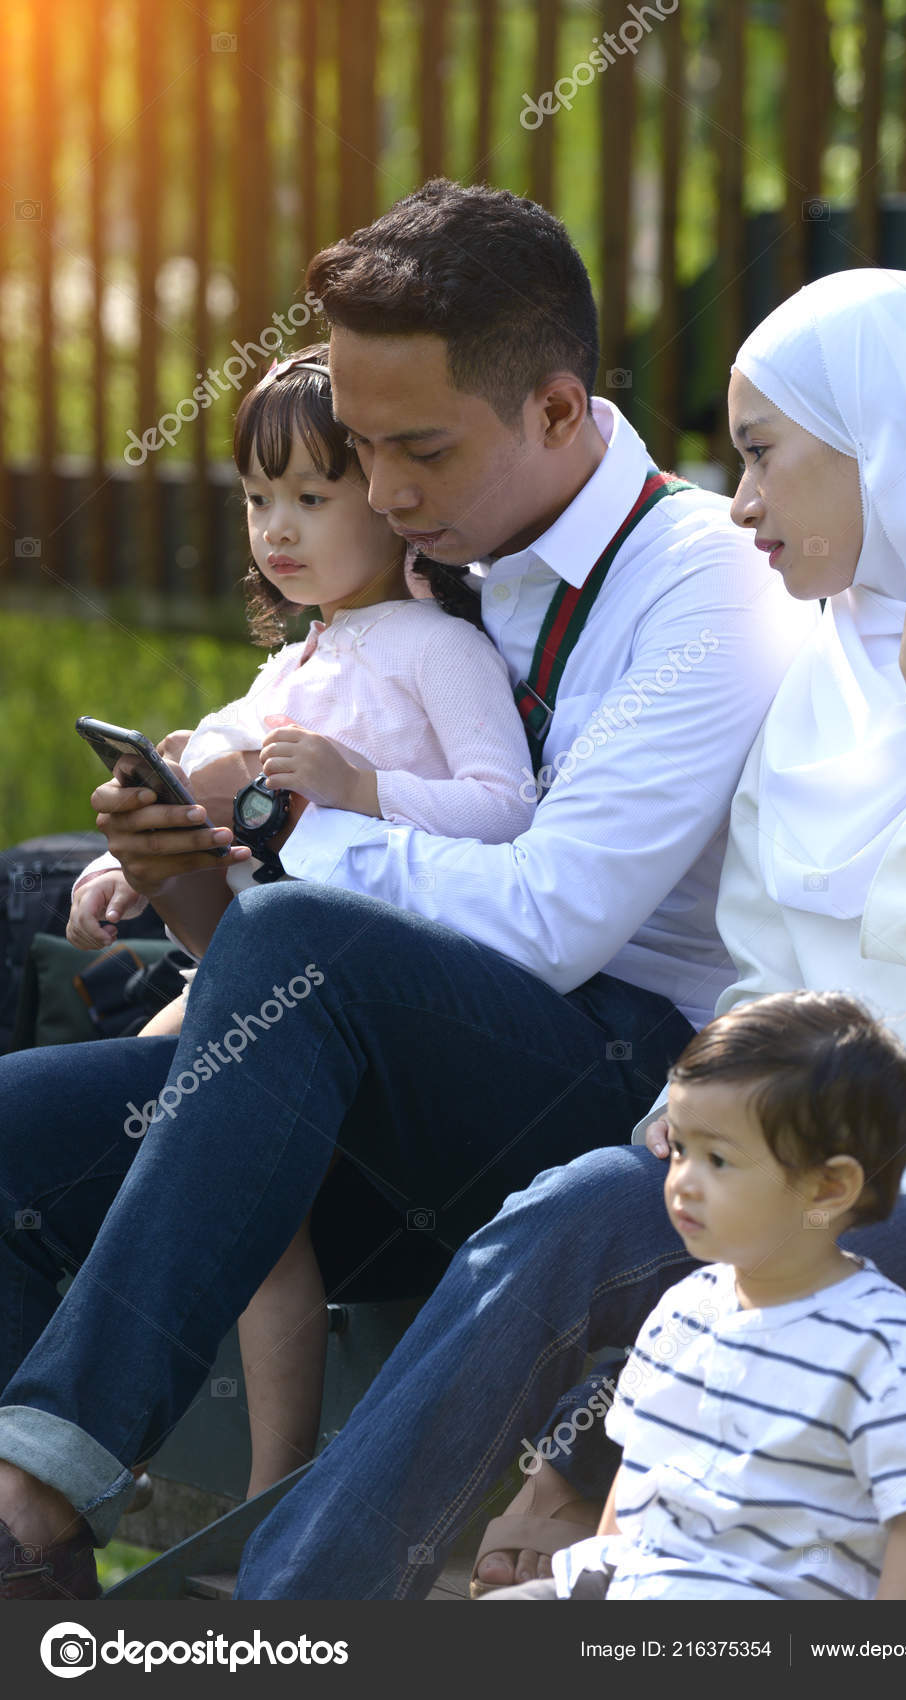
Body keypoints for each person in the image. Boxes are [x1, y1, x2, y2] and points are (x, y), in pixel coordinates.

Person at [0, 179, 812, 1601]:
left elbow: (554, 921)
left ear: (556, 411)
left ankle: (42, 1479)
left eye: (418, 450)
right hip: (363, 1057)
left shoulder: (702, 588)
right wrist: (190, 845)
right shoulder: (450, 559)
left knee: (306, 933)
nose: (378, 494)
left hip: (617, 1072)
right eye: (362, 448)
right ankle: (40, 1586)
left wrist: (280, 820)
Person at [222, 265, 906, 1603]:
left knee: (660, 1247)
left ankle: (312, 1613)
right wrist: (707, 1102)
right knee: (586, 1206)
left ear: (895, 440)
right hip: (829, 1175)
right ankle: (334, 1598)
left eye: (765, 454)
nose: (742, 501)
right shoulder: (826, 672)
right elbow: (771, 977)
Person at [67, 342, 535, 1501]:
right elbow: (210, 813)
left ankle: (268, 1474)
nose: (277, 528)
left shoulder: (441, 649)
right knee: (151, 1143)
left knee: (206, 1166)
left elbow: (509, 812)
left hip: (364, 992)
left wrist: (361, 785)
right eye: (257, 498)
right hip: (251, 970)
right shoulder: (287, 666)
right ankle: (169, 1452)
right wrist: (126, 858)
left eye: (313, 498)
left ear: (388, 497)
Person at [484, 992, 906, 1602]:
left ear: (829, 1187)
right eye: (682, 1149)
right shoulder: (684, 1307)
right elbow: (639, 1469)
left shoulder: (893, 1347)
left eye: (718, 1159)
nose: (682, 1182)